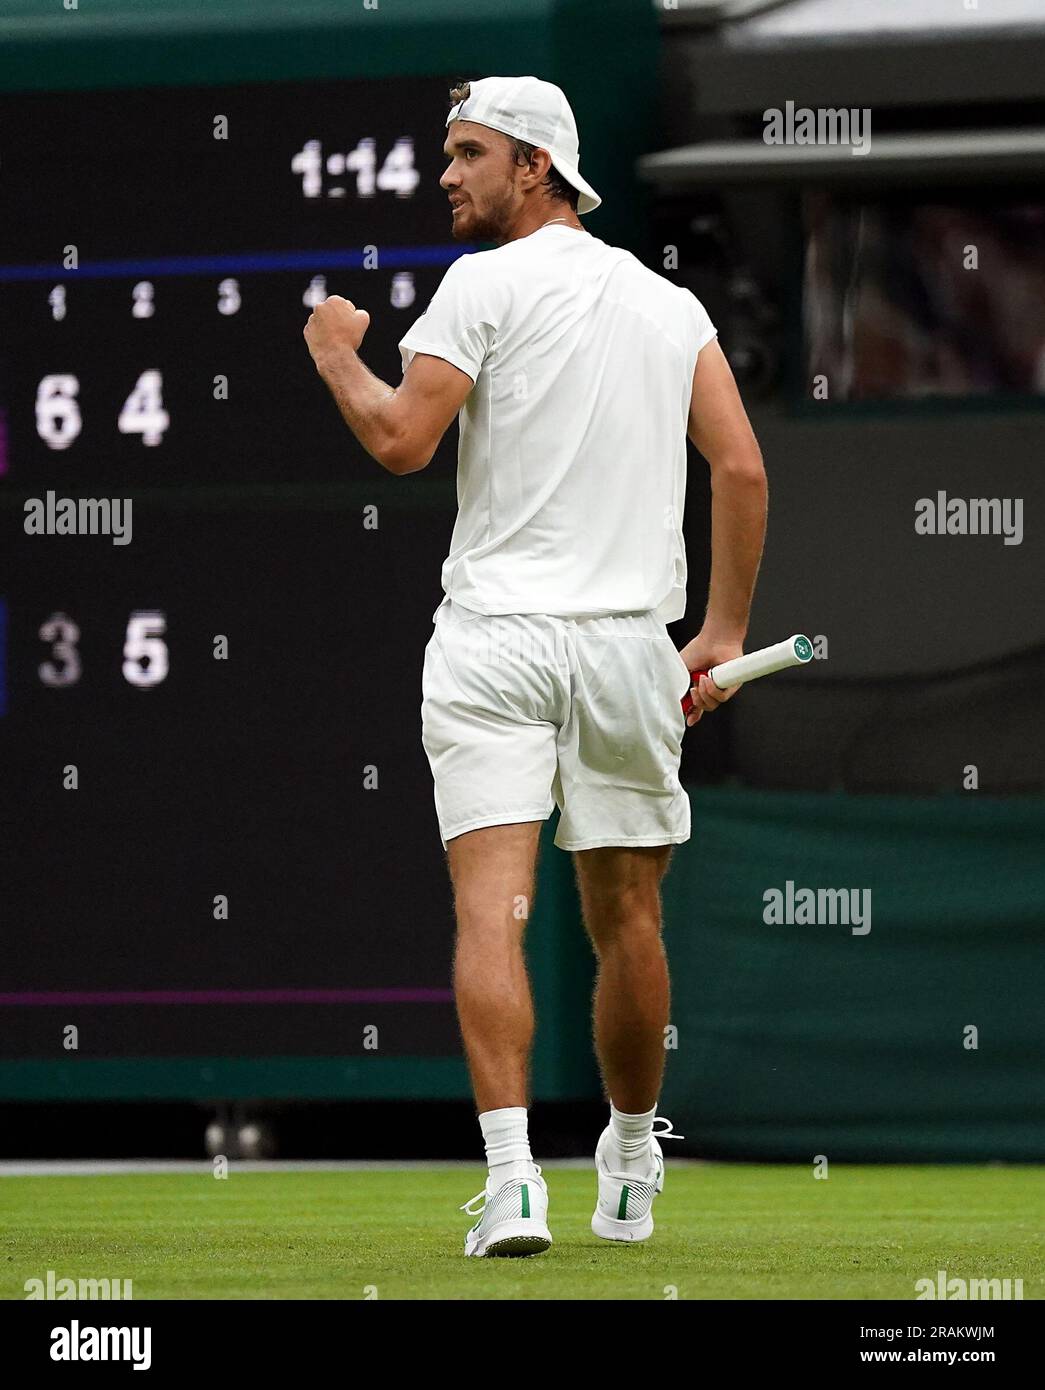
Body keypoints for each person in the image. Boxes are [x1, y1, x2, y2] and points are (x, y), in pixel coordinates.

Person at [303, 75, 767, 1258]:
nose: (445, 174)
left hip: (496, 646)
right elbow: (743, 470)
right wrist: (715, 634)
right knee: (627, 921)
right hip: (624, 649)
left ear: (536, 166)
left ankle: (514, 1179)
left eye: (467, 153)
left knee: (488, 914)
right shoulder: (669, 305)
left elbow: (403, 440)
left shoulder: (481, 284)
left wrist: (335, 356)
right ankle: (625, 1157)